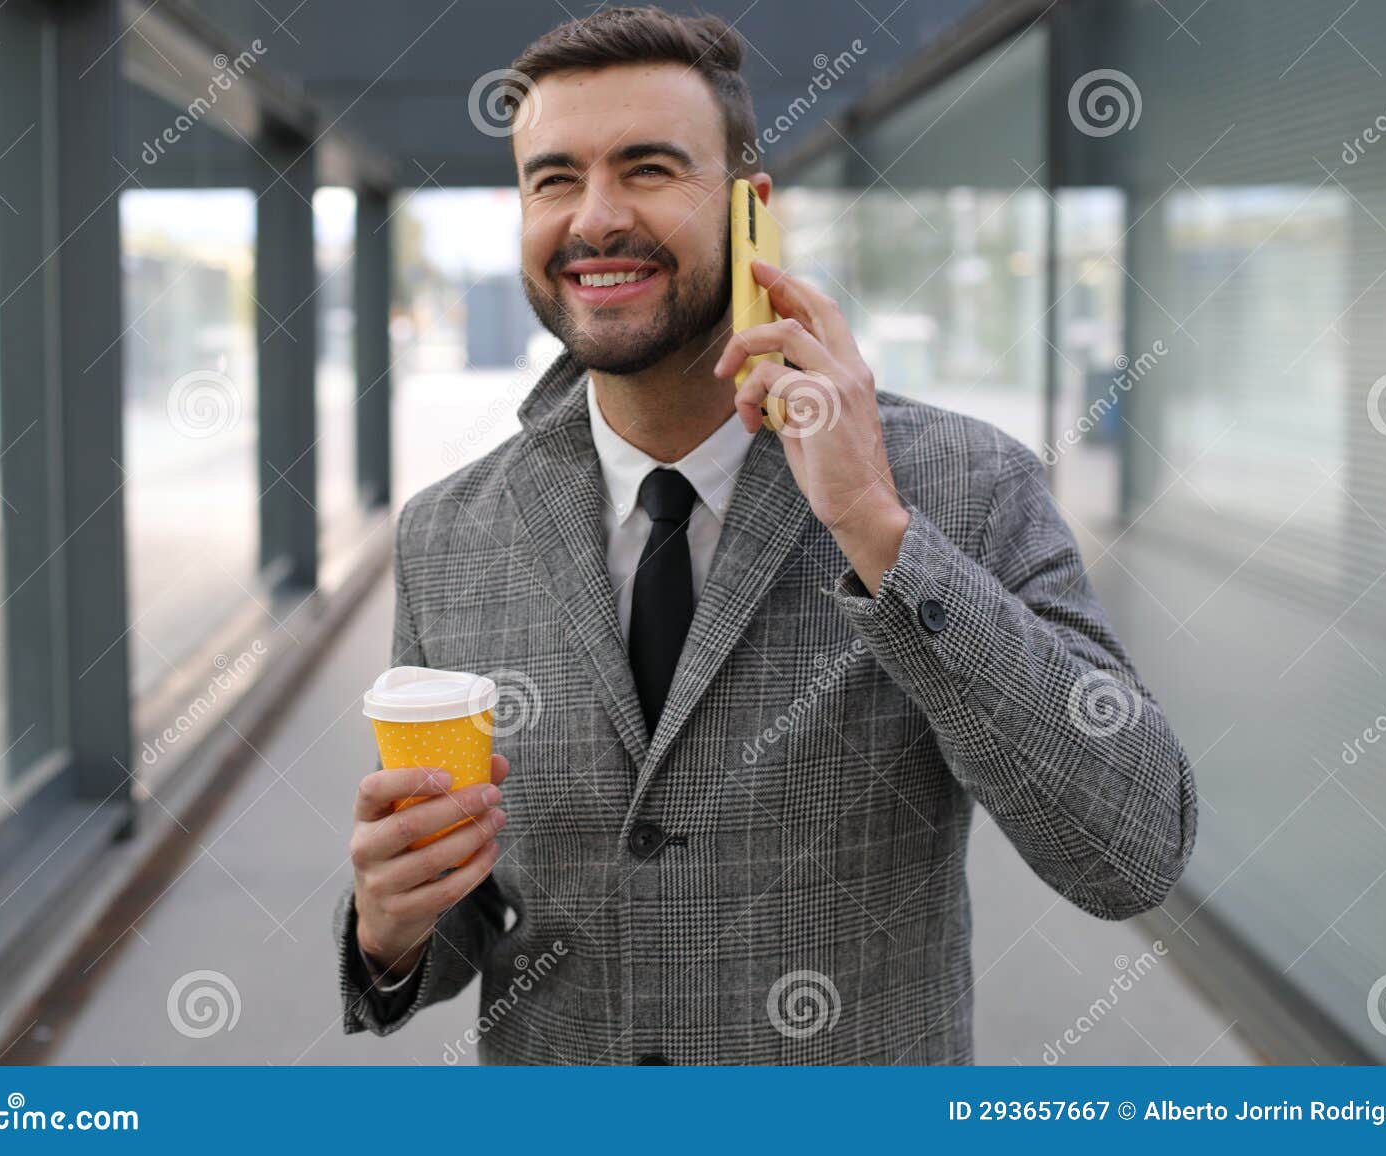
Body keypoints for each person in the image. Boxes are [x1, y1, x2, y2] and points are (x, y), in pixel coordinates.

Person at [335, 5, 1196, 1065]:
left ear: (752, 214)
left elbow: (1128, 848)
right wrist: (390, 927)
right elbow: (473, 908)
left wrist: (876, 529)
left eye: (648, 168)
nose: (595, 218)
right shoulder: (449, 535)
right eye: (553, 178)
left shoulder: (959, 484)